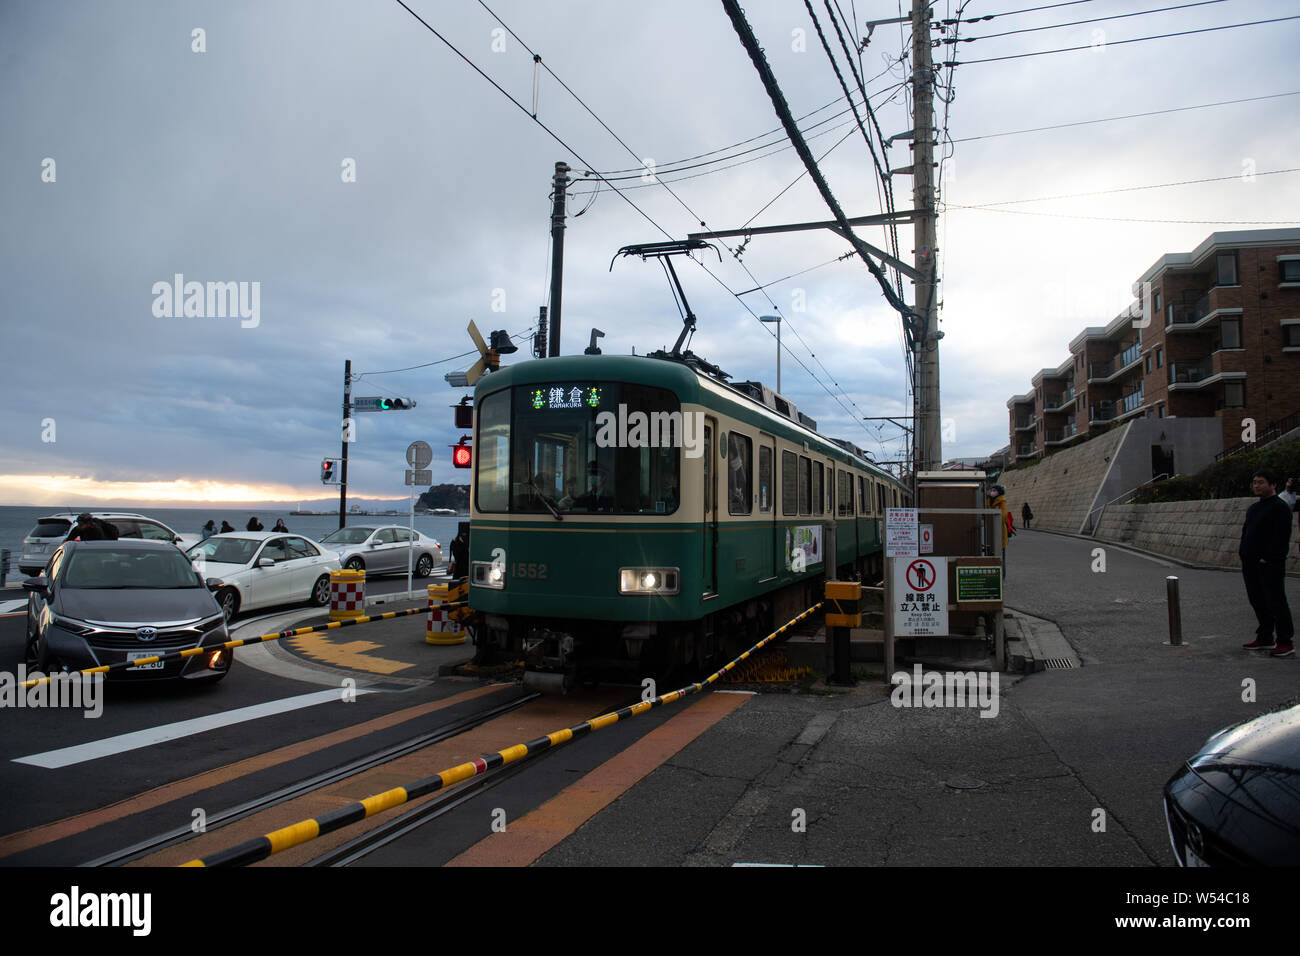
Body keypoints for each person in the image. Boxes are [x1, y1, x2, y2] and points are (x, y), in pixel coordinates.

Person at [1240, 469, 1295, 657]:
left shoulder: (1280, 508)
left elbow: (1281, 537)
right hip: (1250, 562)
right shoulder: (1254, 508)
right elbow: (1246, 532)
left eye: (1261, 482)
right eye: (1255, 482)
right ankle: (1265, 637)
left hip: (1270, 564)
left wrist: (1269, 557)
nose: (1257, 486)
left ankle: (1285, 641)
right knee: (1257, 600)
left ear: (1273, 485)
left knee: (1276, 601)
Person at [988, 484, 1010, 579]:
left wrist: (994, 517)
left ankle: (1002, 576)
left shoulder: (1002, 502)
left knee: (1001, 556)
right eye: (991, 490)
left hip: (1000, 533)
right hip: (990, 531)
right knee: (992, 554)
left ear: (999, 492)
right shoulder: (990, 501)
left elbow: (1003, 517)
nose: (992, 492)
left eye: (994, 490)